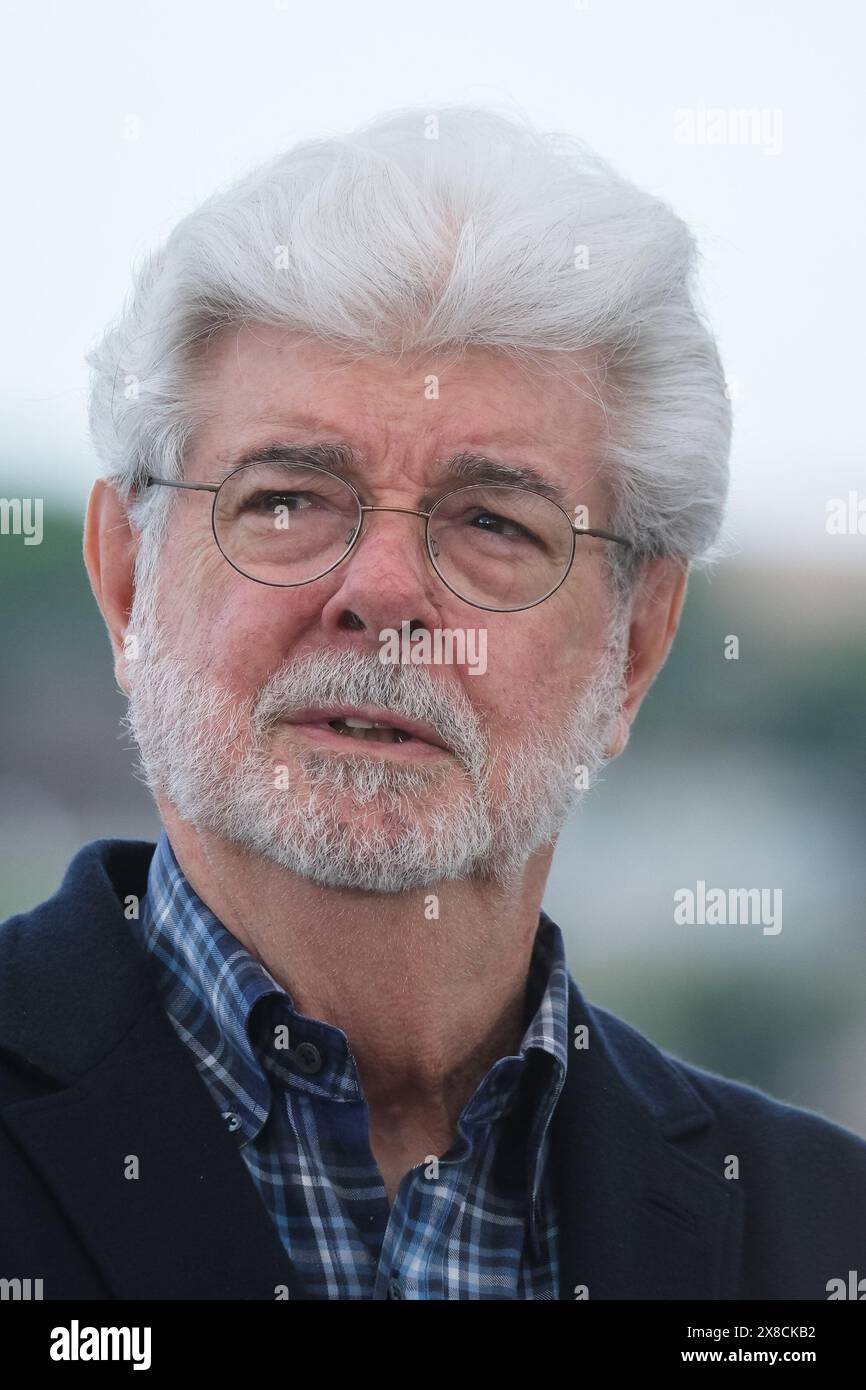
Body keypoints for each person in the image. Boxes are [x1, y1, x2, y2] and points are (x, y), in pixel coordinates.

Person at [1, 104, 863, 1301]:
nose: (384, 593)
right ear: (128, 578)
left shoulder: (821, 1238)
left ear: (635, 646)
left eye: (492, 523)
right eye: (289, 496)